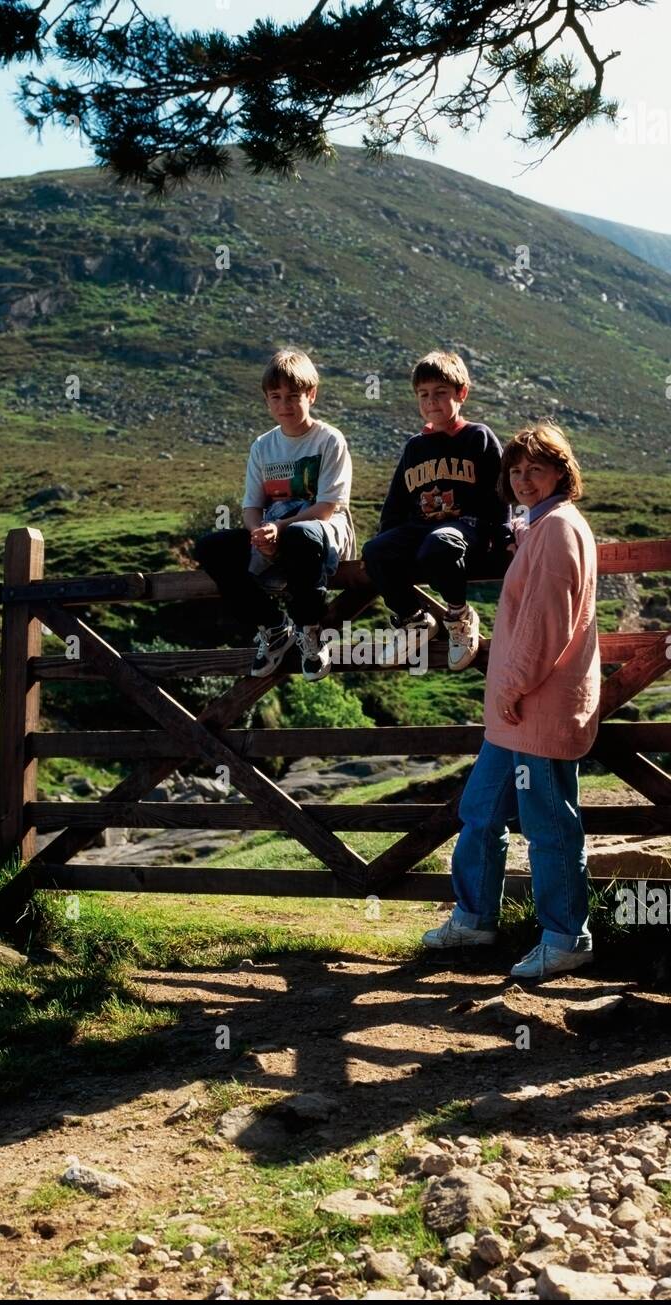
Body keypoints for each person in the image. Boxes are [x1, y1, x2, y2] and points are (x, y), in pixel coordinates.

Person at [422, 423, 601, 980]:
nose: (524, 480)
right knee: (480, 810)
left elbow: (546, 623)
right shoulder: (541, 526)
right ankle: (475, 918)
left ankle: (566, 936)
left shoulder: (557, 530)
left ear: (560, 474)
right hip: (516, 713)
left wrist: (510, 684)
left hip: (537, 707)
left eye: (536, 470)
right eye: (516, 471)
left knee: (548, 823)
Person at [193, 348, 356, 680]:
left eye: (293, 396)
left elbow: (325, 508)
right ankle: (273, 626)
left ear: (311, 395)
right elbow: (251, 506)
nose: (285, 405)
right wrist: (258, 534)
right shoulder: (262, 446)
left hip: (322, 533)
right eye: (276, 397)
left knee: (301, 534)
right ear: (267, 400)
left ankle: (311, 632)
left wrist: (278, 530)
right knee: (210, 547)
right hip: (275, 531)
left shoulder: (329, 441)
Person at [362, 351, 507, 672]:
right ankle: (414, 620)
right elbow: (397, 500)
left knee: (440, 544)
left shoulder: (478, 437)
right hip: (420, 527)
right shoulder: (415, 446)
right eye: (423, 395)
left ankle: (458, 617)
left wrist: (503, 533)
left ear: (461, 393)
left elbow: (500, 491)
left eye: (440, 392)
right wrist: (387, 540)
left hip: (467, 525)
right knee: (374, 551)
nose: (431, 401)